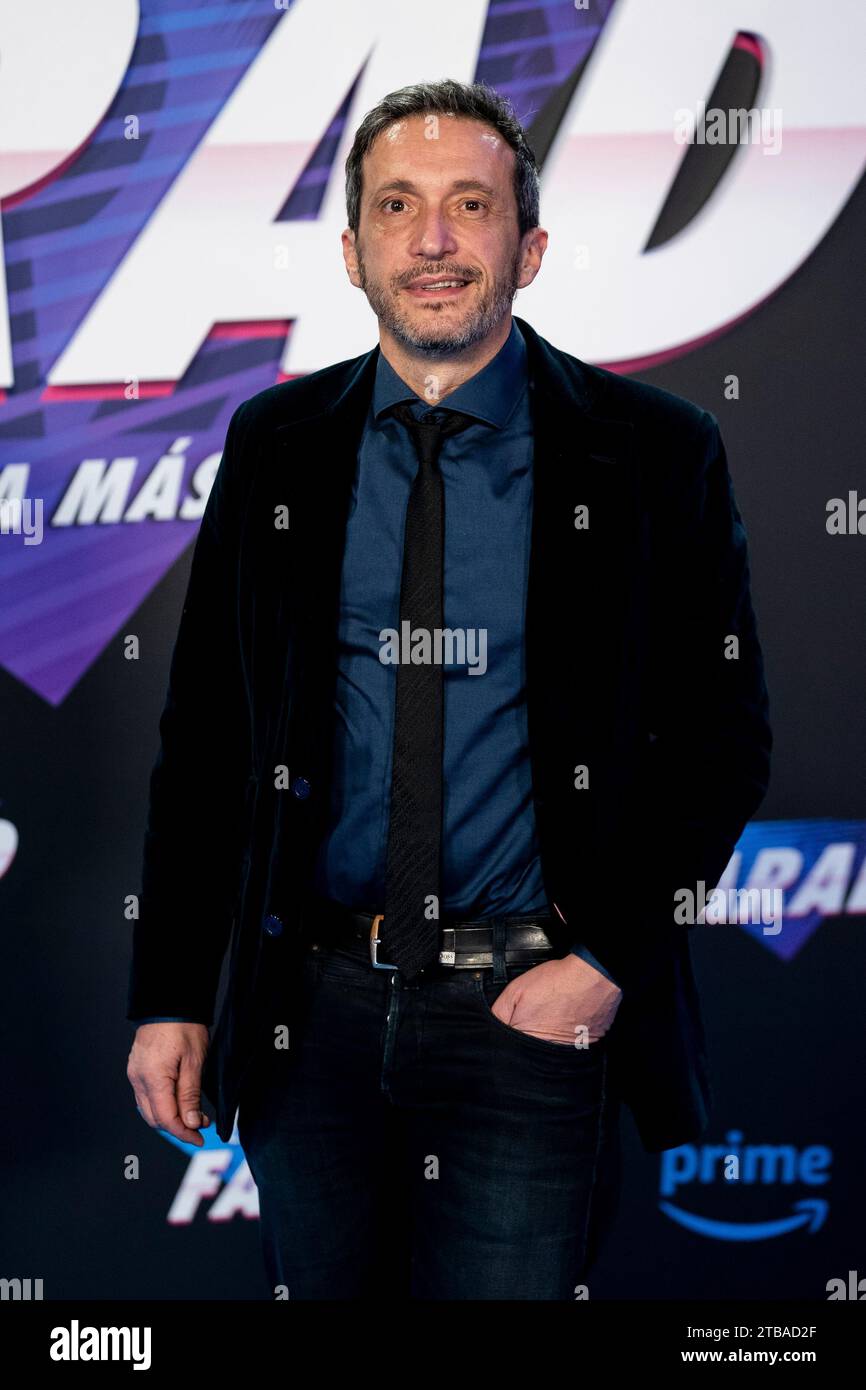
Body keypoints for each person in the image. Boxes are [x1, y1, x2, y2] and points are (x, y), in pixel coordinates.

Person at [126, 79, 772, 1300]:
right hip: (302, 1017)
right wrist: (171, 993)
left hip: (529, 1017)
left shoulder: (651, 449)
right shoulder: (275, 443)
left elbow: (720, 741)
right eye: (396, 207)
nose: (431, 240)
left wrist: (609, 962)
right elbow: (208, 739)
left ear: (526, 249)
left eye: (467, 206)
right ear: (352, 253)